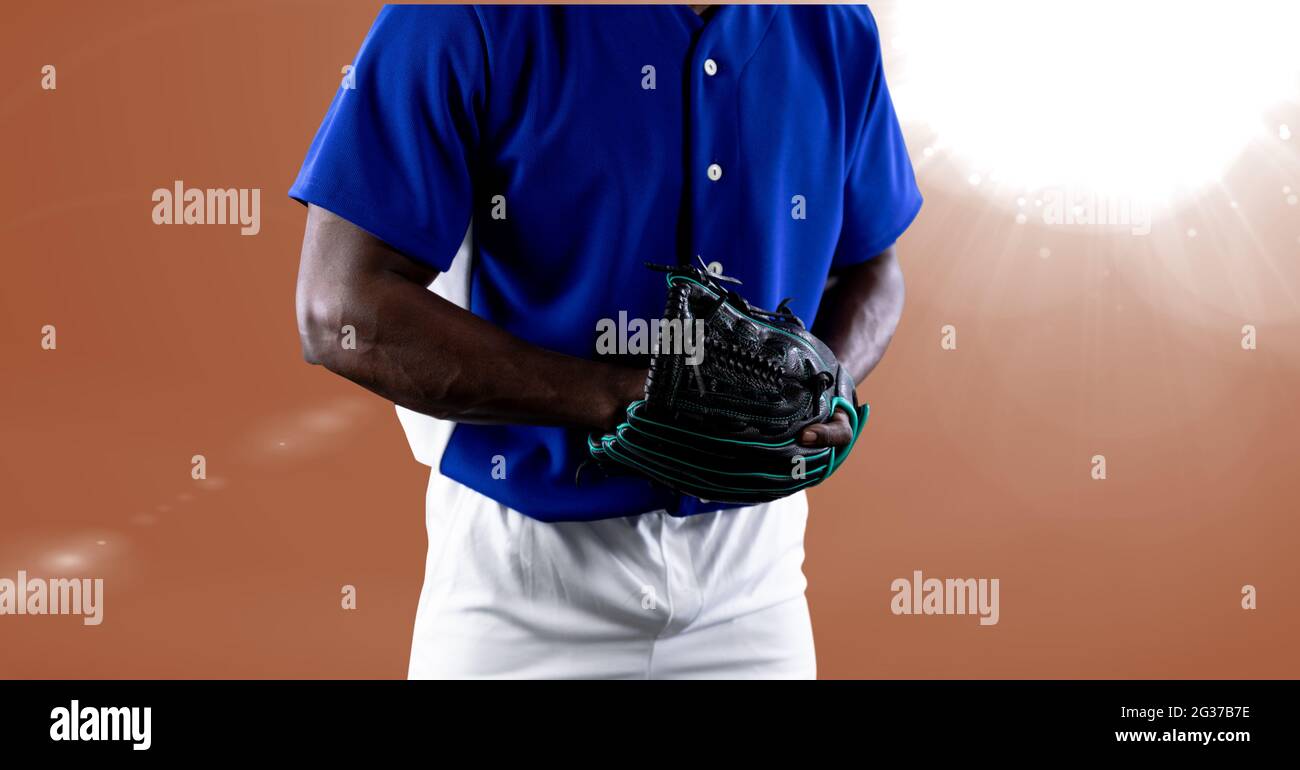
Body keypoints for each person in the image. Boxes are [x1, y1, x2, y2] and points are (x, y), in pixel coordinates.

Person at [290, 4, 920, 679]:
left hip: (755, 584)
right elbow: (341, 309)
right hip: (526, 583)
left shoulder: (833, 24)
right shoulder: (463, 16)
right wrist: (632, 397)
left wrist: (829, 384)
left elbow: (873, 267)